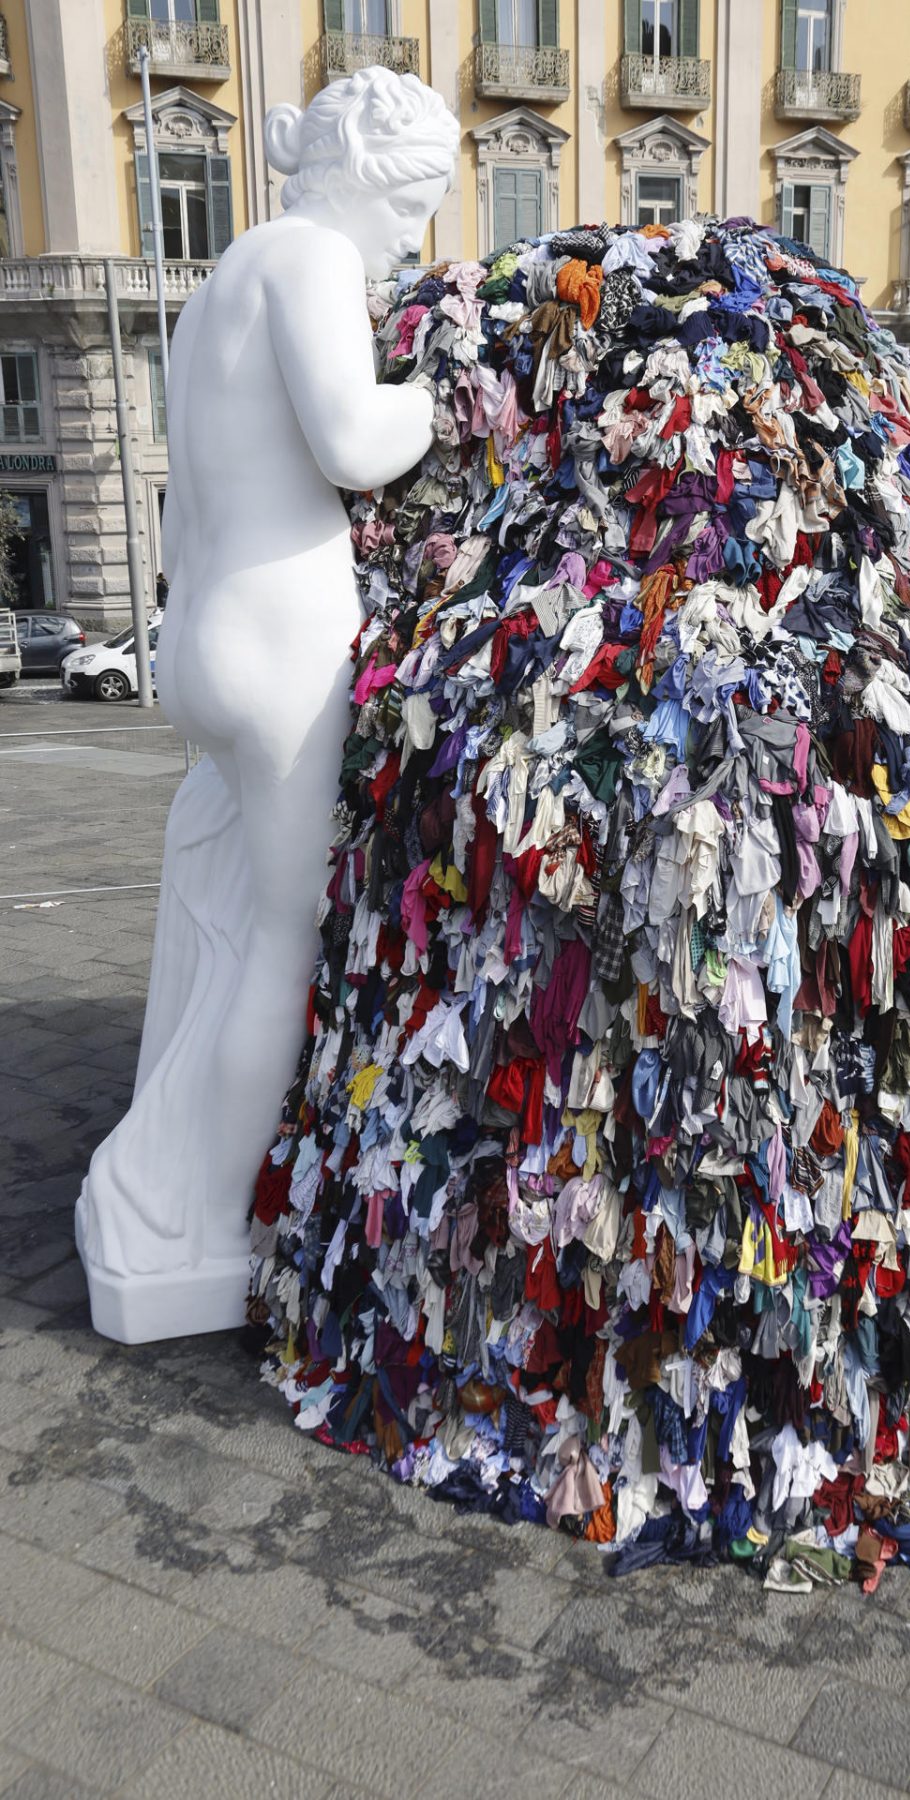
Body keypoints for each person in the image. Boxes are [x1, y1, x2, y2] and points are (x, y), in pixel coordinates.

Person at [77, 67, 458, 1341]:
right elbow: (353, 443)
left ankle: (152, 1175)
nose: (420, 229)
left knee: (220, 921)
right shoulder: (307, 259)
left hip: (203, 637)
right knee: (285, 944)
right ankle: (195, 1218)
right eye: (415, 195)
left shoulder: (227, 277)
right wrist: (439, 398)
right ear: (352, 166)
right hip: (286, 646)